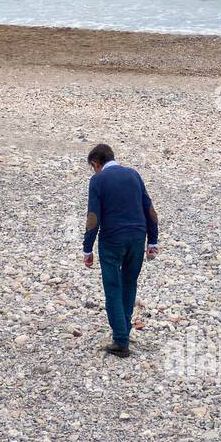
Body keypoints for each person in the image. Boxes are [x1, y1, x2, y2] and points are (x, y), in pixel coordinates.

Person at [81, 143, 159, 357]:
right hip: (137, 236)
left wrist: (87, 249)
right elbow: (150, 210)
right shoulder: (134, 175)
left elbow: (93, 217)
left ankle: (121, 340)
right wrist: (153, 241)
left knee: (113, 287)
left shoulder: (98, 180)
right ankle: (123, 330)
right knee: (129, 283)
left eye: (93, 167)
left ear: (96, 163)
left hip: (112, 239)